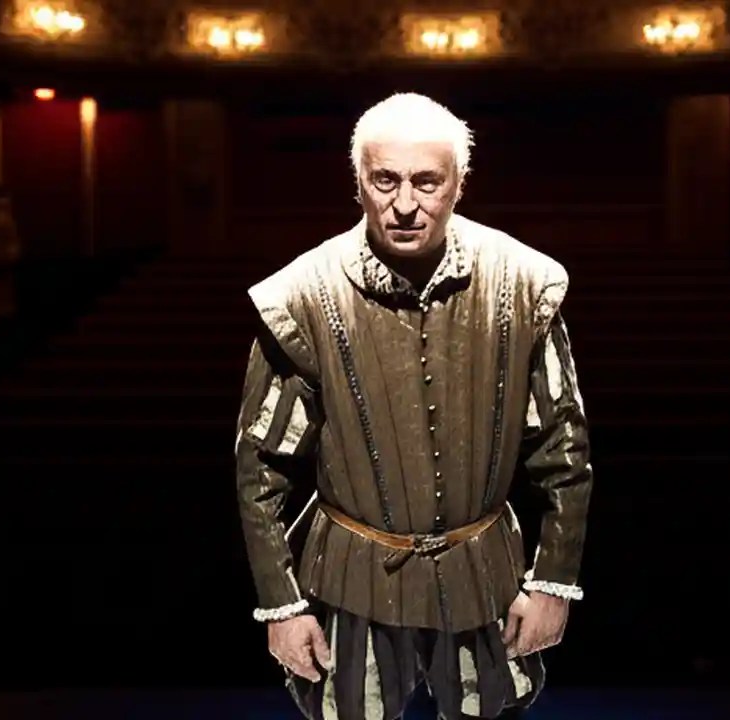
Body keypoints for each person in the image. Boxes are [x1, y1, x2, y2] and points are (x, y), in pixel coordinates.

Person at [234, 92, 593, 720]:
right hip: (349, 578)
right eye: (385, 180)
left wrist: (553, 583)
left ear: (459, 182)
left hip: (485, 573)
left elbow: (564, 454)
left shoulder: (523, 282)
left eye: (427, 181)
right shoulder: (302, 296)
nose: (405, 204)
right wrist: (284, 606)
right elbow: (259, 467)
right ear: (359, 183)